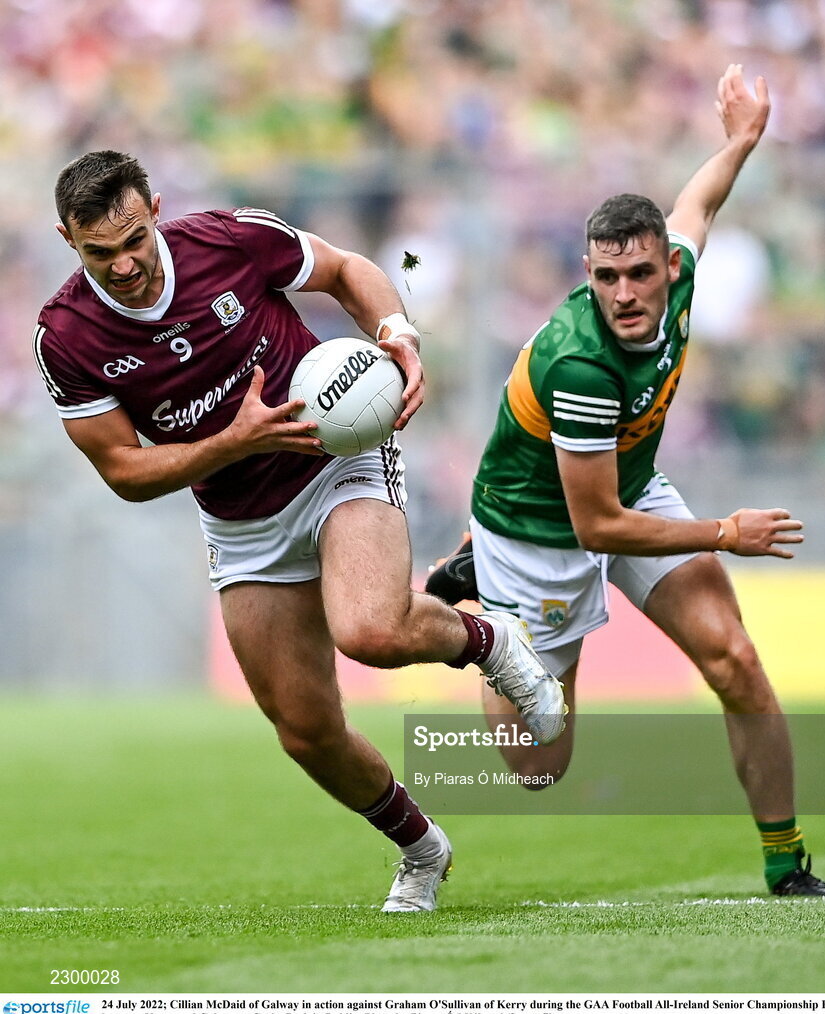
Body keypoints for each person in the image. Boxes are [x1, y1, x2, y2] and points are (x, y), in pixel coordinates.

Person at [32, 150, 567, 913]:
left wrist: (396, 333)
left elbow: (349, 270)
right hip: (240, 516)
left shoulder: (227, 238)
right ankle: (422, 851)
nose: (123, 266)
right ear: (67, 239)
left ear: (153, 208)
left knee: (371, 630)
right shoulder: (64, 337)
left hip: (333, 458)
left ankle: (494, 646)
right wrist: (234, 443)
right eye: (100, 253)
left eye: (134, 240)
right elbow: (123, 471)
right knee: (305, 731)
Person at [425, 66, 825, 898]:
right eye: (604, 278)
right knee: (540, 765)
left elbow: (696, 205)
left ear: (666, 267)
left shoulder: (680, 268)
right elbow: (598, 528)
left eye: (639, 275)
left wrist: (740, 140)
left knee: (732, 656)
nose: (624, 294)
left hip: (626, 487)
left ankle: (785, 863)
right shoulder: (581, 363)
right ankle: (490, 621)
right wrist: (724, 533)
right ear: (587, 273)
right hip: (545, 524)